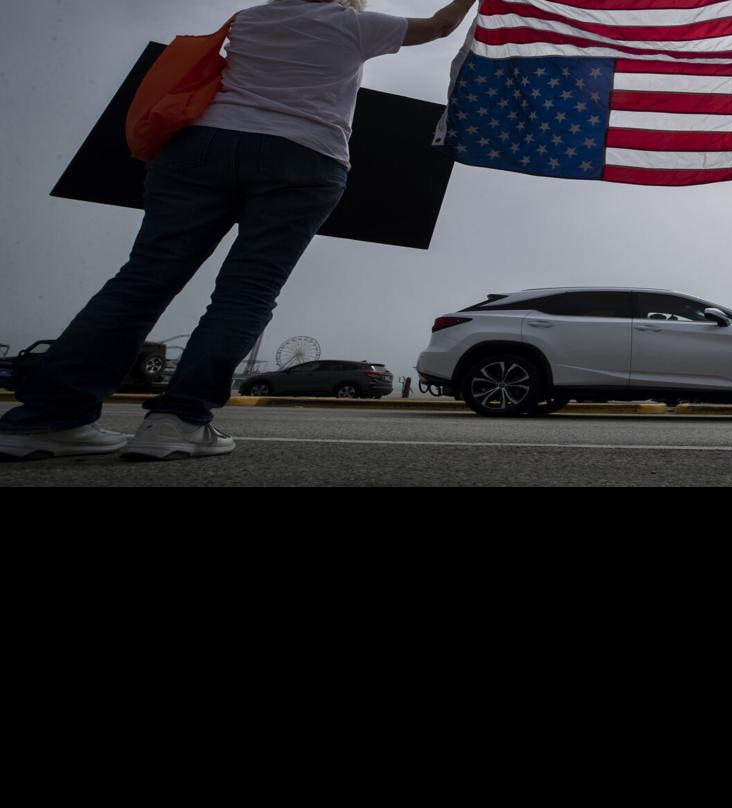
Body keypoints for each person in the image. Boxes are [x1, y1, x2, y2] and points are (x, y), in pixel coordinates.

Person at [0, 0, 478, 462]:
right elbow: (439, 26)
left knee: (142, 281)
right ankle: (178, 421)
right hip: (303, 156)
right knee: (246, 291)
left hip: (201, 145)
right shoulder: (355, 25)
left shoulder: (250, 19)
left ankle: (49, 418)